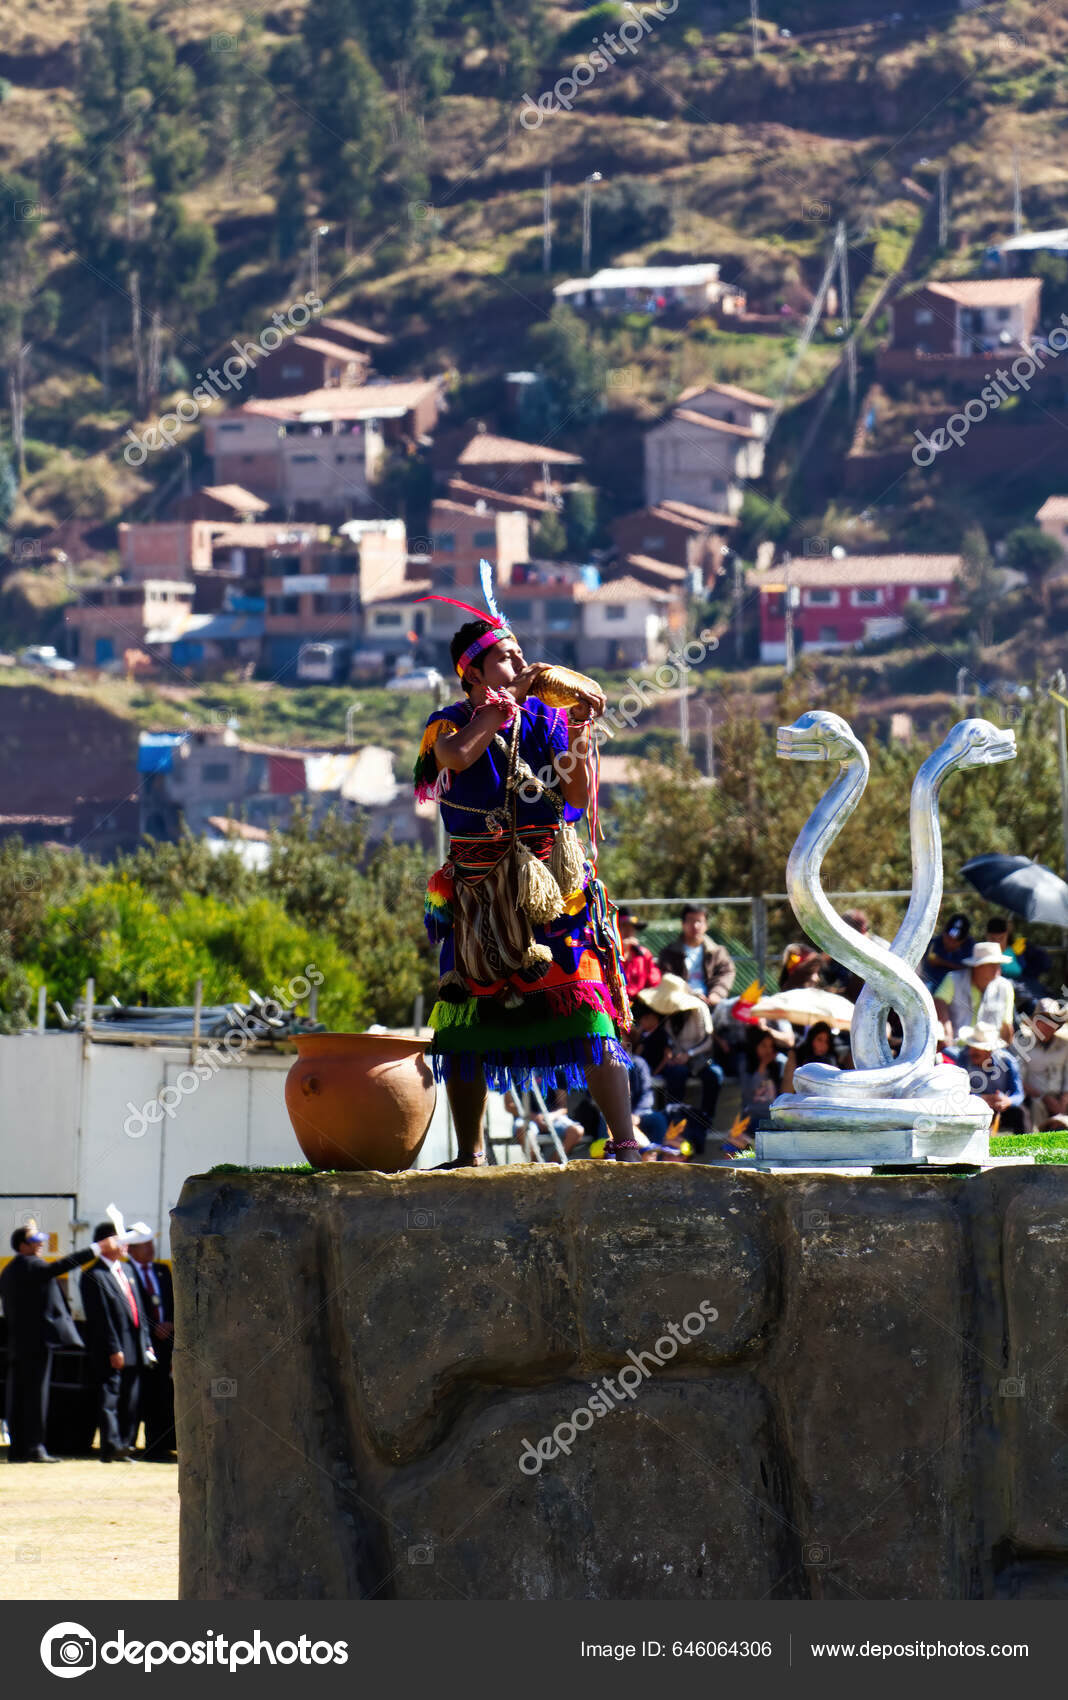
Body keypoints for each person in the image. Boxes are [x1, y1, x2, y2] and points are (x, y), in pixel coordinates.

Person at [415, 615, 640, 1162]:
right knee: (465, 1021)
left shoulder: (546, 718)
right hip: (477, 894)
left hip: (551, 889)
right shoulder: (447, 723)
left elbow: (577, 795)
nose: (521, 663)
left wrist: (579, 730)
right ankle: (470, 1155)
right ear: (472, 673)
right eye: (505, 657)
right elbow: (457, 758)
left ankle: (626, 1143)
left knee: (589, 1008)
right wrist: (502, 707)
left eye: (520, 655)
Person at [0, 1221, 109, 1464]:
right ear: (22, 1246)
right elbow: (62, 1265)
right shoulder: (33, 1265)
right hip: (38, 1343)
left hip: (18, 1342)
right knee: (37, 1396)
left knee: (18, 1396)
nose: (40, 1244)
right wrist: (95, 1249)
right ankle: (35, 1447)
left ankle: (18, 1448)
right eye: (34, 1241)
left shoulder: (9, 1270)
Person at [80, 1224, 155, 1462]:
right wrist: (114, 1348)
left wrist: (146, 1342)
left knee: (131, 1399)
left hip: (135, 1345)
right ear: (105, 1244)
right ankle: (111, 1446)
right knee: (110, 1398)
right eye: (120, 1240)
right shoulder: (94, 1274)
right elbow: (100, 1317)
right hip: (112, 1348)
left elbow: (139, 1308)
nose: (125, 1245)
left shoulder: (127, 1270)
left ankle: (125, 1443)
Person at [633, 975, 722, 1152]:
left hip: (699, 1056)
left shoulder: (699, 1010)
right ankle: (673, 1121)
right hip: (675, 1058)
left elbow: (708, 1041)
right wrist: (674, 1055)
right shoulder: (664, 1013)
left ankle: (706, 1120)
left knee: (714, 1075)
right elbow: (667, 1040)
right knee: (676, 1074)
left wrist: (689, 1054)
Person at [125, 1232, 175, 1460]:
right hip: (140, 1342)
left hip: (165, 1342)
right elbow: (132, 1306)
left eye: (151, 1244)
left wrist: (171, 1324)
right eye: (144, 1245)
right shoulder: (127, 1271)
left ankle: (157, 1445)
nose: (150, 1248)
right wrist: (153, 1327)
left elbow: (172, 1301)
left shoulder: (162, 1270)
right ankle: (128, 1444)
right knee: (138, 1394)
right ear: (131, 1249)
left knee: (161, 1394)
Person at [947, 1024, 1025, 1134]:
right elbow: (955, 1092)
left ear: (990, 1051)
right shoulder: (962, 1059)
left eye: (978, 1048)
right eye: (971, 1046)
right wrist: (980, 1099)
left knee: (1018, 1113)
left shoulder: (1008, 1061)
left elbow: (1018, 1094)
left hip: (1001, 1110)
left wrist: (1008, 1101)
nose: (972, 1051)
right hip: (971, 1108)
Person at [933, 940, 1014, 1044]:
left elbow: (1006, 1025)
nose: (996, 969)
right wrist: (947, 1031)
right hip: (955, 1045)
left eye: (998, 964)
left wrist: (1004, 1048)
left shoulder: (1005, 987)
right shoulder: (953, 979)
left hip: (987, 1049)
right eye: (991, 965)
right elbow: (939, 1002)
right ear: (977, 966)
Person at [657, 905, 736, 1009]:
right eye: (690, 921)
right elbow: (667, 978)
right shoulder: (669, 953)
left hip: (713, 1003)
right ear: (683, 924)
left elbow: (726, 973)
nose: (695, 926)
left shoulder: (717, 952)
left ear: (706, 925)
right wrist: (690, 994)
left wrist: (716, 994)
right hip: (680, 1006)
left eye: (699, 921)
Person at [1016, 999, 1068, 1131]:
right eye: (1042, 1021)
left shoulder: (1065, 1045)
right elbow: (1019, 1080)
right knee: (1036, 1105)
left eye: (1051, 1021)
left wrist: (1062, 1103)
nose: (1047, 1025)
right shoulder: (1024, 1045)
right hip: (1034, 1097)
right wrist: (1044, 1097)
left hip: (1061, 1098)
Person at [782, 1020, 837, 1094]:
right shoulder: (798, 1057)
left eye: (826, 1041)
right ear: (812, 1039)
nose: (823, 1045)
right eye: (819, 1039)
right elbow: (787, 1090)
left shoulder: (831, 1061)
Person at [617, 910, 661, 1000]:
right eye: (623, 926)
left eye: (632, 927)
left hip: (639, 1001)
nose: (628, 931)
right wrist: (621, 951)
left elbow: (654, 981)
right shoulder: (608, 954)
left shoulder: (643, 954)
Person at [922, 912, 973, 990]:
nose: (950, 943)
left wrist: (942, 962)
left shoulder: (971, 950)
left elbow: (968, 971)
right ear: (944, 932)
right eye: (948, 938)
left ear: (964, 939)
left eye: (955, 941)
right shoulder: (933, 944)